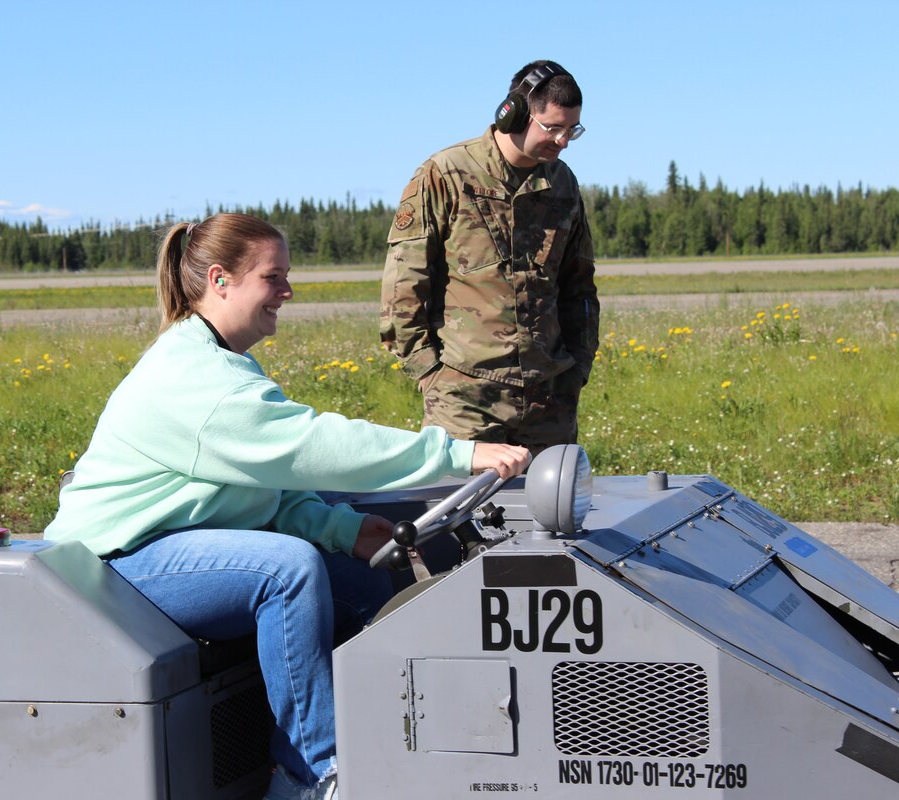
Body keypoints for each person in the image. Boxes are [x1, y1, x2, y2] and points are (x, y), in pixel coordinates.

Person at [45, 212, 529, 800]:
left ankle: (377, 732)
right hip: (117, 564)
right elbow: (310, 446)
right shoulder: (193, 376)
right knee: (286, 570)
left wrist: (340, 528)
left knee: (359, 577)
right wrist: (458, 454)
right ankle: (314, 776)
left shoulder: (227, 362)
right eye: (273, 277)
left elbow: (268, 483)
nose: (288, 291)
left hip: (171, 548)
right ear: (220, 280)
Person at [380, 59, 600, 456]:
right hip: (465, 402)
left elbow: (579, 286)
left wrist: (578, 367)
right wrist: (431, 375)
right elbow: (404, 288)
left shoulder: (562, 182)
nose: (563, 141)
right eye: (553, 128)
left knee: (554, 514)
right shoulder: (446, 175)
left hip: (550, 401)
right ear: (513, 113)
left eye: (573, 130)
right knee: (461, 516)